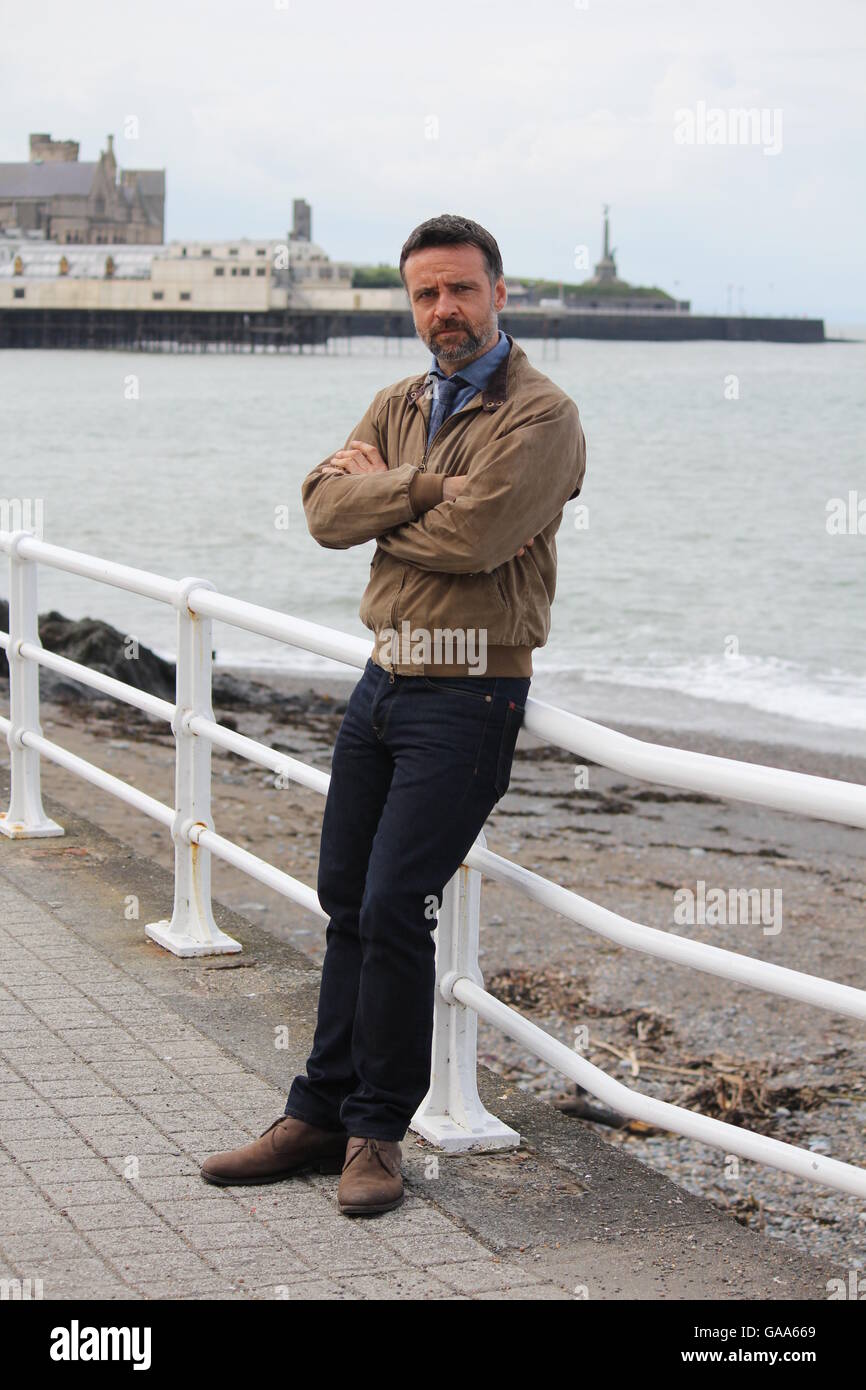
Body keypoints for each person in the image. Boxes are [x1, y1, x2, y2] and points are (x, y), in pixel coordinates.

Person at [201, 213, 587, 1215]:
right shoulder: (397, 400)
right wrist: (418, 486)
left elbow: (480, 535)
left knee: (394, 907)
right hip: (382, 676)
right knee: (341, 901)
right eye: (425, 294)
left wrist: (386, 500)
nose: (443, 310)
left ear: (499, 293)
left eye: (460, 290)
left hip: (469, 691)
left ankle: (377, 1130)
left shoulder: (541, 417)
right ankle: (315, 1112)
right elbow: (322, 512)